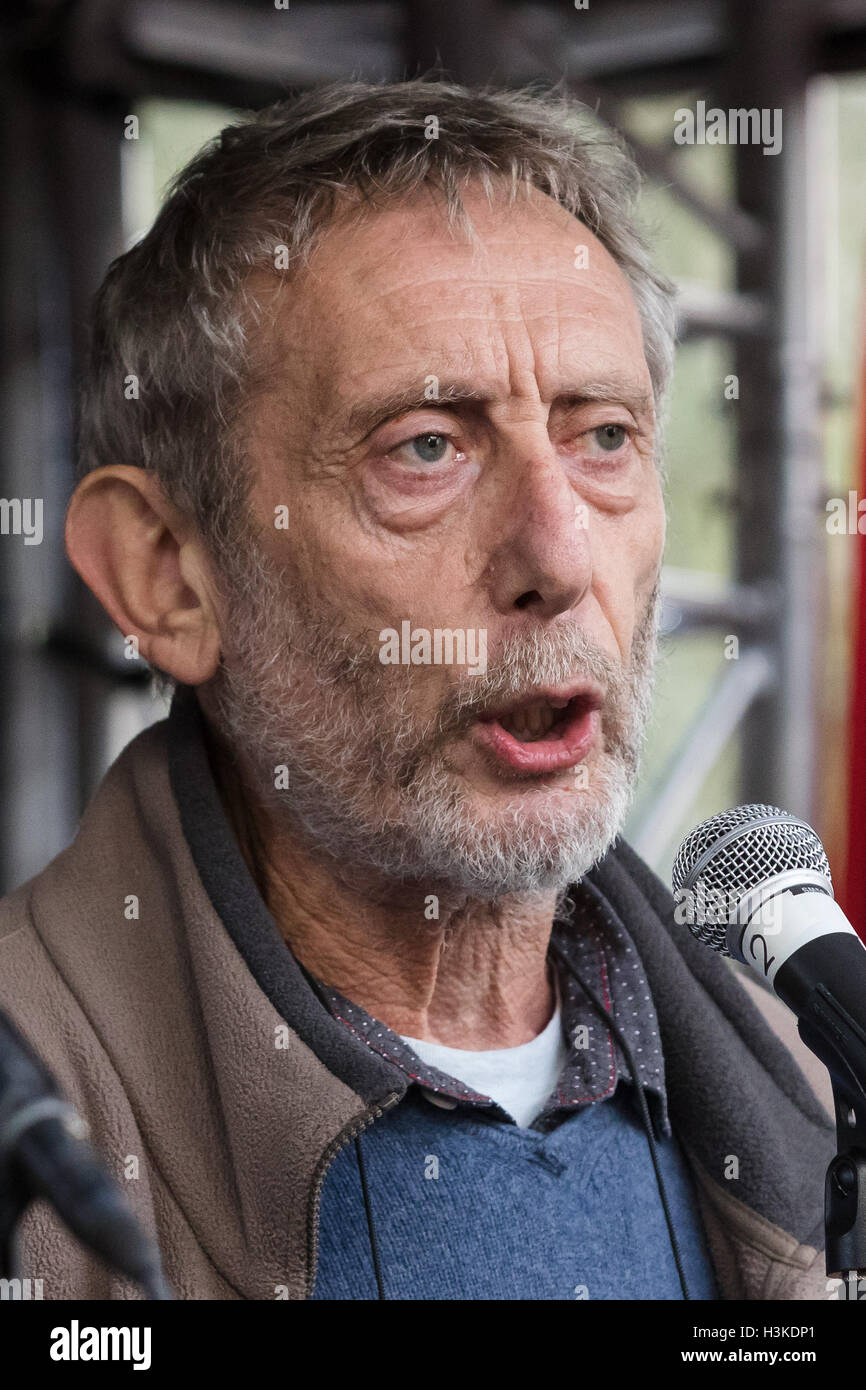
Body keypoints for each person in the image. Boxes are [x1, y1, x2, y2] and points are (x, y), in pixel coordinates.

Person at [0, 80, 834, 1300]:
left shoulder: (807, 1088)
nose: (556, 557)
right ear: (167, 576)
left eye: (602, 436)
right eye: (425, 448)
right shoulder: (34, 1129)